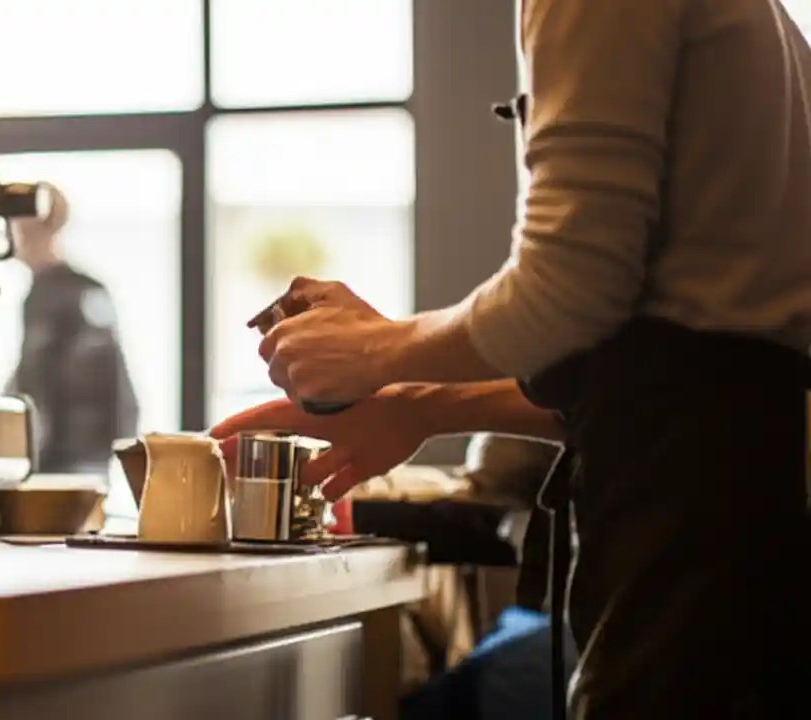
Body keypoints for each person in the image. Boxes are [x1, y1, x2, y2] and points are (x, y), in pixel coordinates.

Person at [211, 2, 811, 717]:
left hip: (687, 536)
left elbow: (572, 287)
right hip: (743, 518)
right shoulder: (772, 28)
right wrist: (421, 402)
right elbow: (687, 366)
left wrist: (376, 350)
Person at [7, 182, 139, 474]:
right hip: (85, 452)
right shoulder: (82, 289)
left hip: (64, 456)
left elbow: (39, 376)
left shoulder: (54, 294)